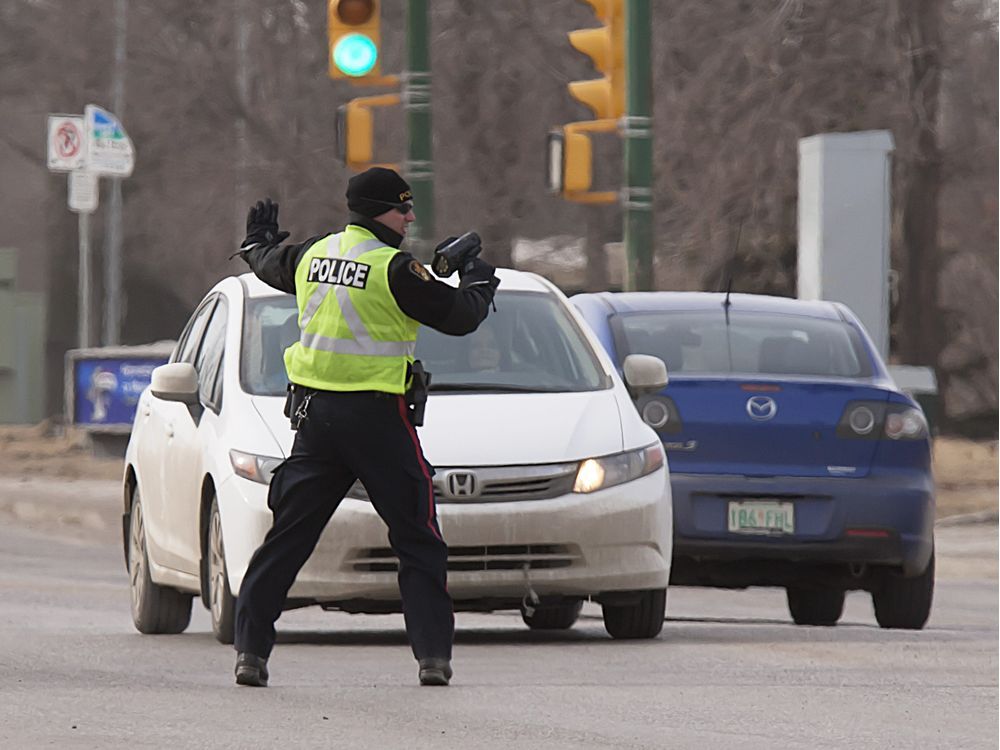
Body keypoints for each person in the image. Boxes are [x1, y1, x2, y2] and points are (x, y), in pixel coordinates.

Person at [231, 167, 499, 688]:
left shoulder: (315, 253)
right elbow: (461, 316)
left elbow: (269, 264)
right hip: (378, 420)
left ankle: (250, 652)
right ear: (380, 212)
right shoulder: (394, 269)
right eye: (403, 208)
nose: (411, 217)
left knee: (287, 539)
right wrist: (480, 279)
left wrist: (255, 243)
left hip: (315, 420)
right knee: (418, 538)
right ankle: (433, 657)